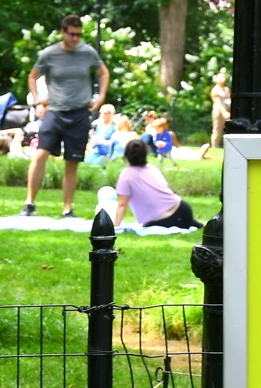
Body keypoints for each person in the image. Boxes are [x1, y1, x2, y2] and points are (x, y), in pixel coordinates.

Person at [20, 14, 109, 219]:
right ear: (63, 32)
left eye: (79, 34)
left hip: (79, 113)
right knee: (40, 154)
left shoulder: (88, 53)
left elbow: (103, 72)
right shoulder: (49, 54)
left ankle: (67, 209)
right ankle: (29, 204)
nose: (76, 38)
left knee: (72, 161)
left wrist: (101, 96)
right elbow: (33, 76)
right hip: (55, 112)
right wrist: (37, 100)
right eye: (72, 34)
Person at [114, 138, 200, 229]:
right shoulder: (152, 169)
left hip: (168, 218)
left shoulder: (126, 175)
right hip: (183, 209)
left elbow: (122, 204)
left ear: (126, 156)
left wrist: (115, 226)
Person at [208, 70, 231, 150]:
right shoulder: (215, 90)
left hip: (227, 110)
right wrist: (224, 112)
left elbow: (229, 98)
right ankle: (214, 147)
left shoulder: (226, 89)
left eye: (224, 77)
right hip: (218, 111)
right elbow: (218, 103)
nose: (223, 79)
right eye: (221, 78)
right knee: (217, 129)